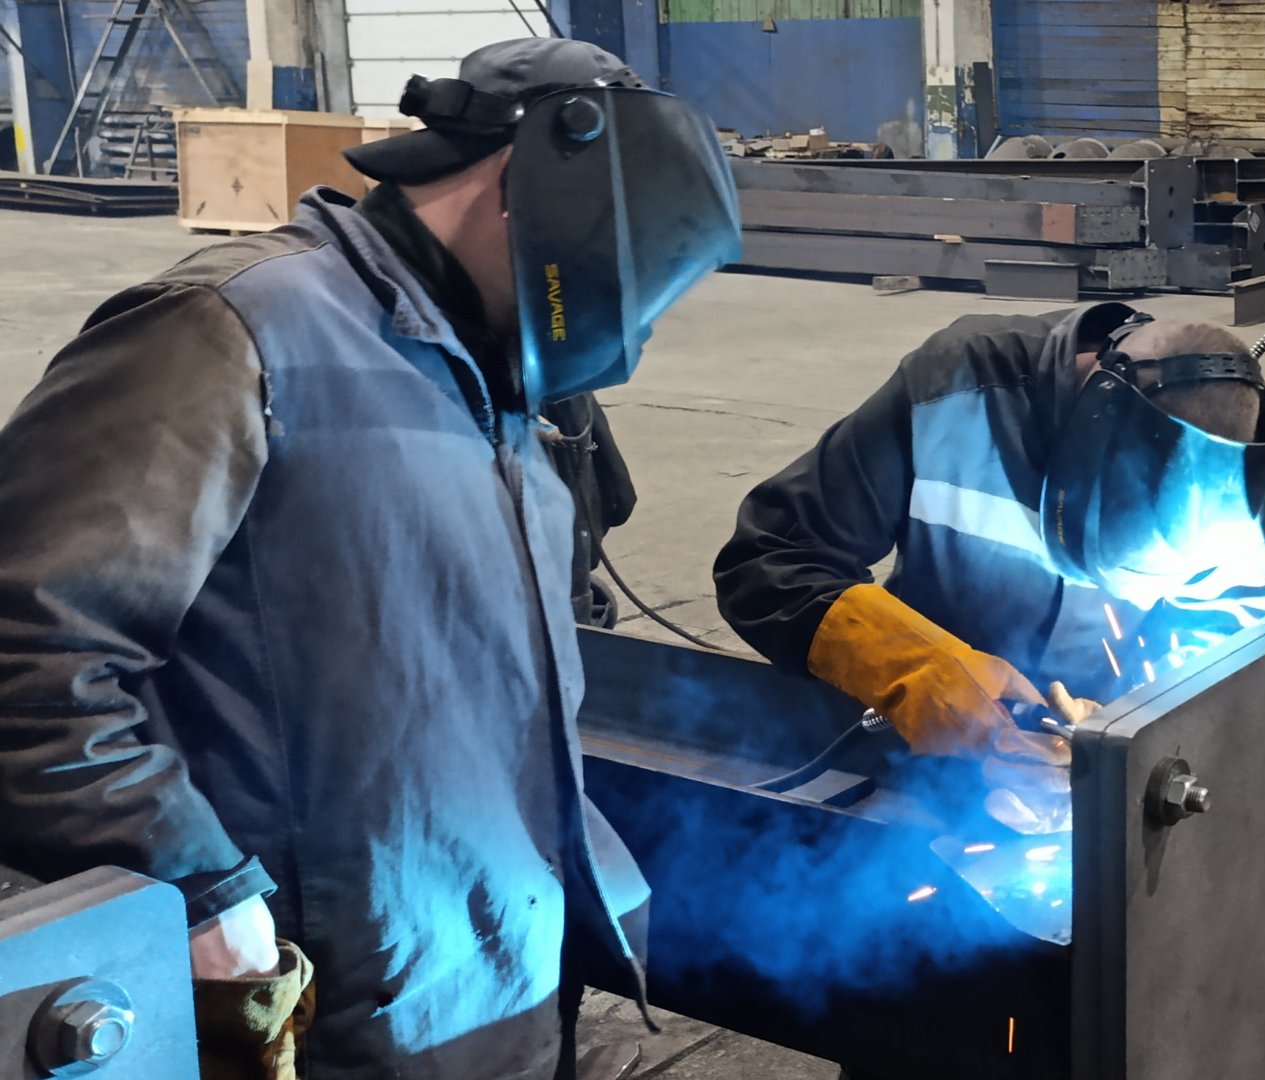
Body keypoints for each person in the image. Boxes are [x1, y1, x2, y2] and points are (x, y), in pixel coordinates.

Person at [0, 38, 739, 1080]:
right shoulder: (233, 333)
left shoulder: (493, 381)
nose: (636, 321)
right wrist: (201, 893)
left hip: (485, 986)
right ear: (530, 186)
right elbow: (31, 650)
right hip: (334, 1013)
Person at [712, 304, 1265, 808]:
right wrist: (919, 672)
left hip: (1088, 784)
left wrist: (1126, 735)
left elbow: (1237, 672)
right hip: (921, 749)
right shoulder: (954, 390)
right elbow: (767, 561)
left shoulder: (1236, 501)